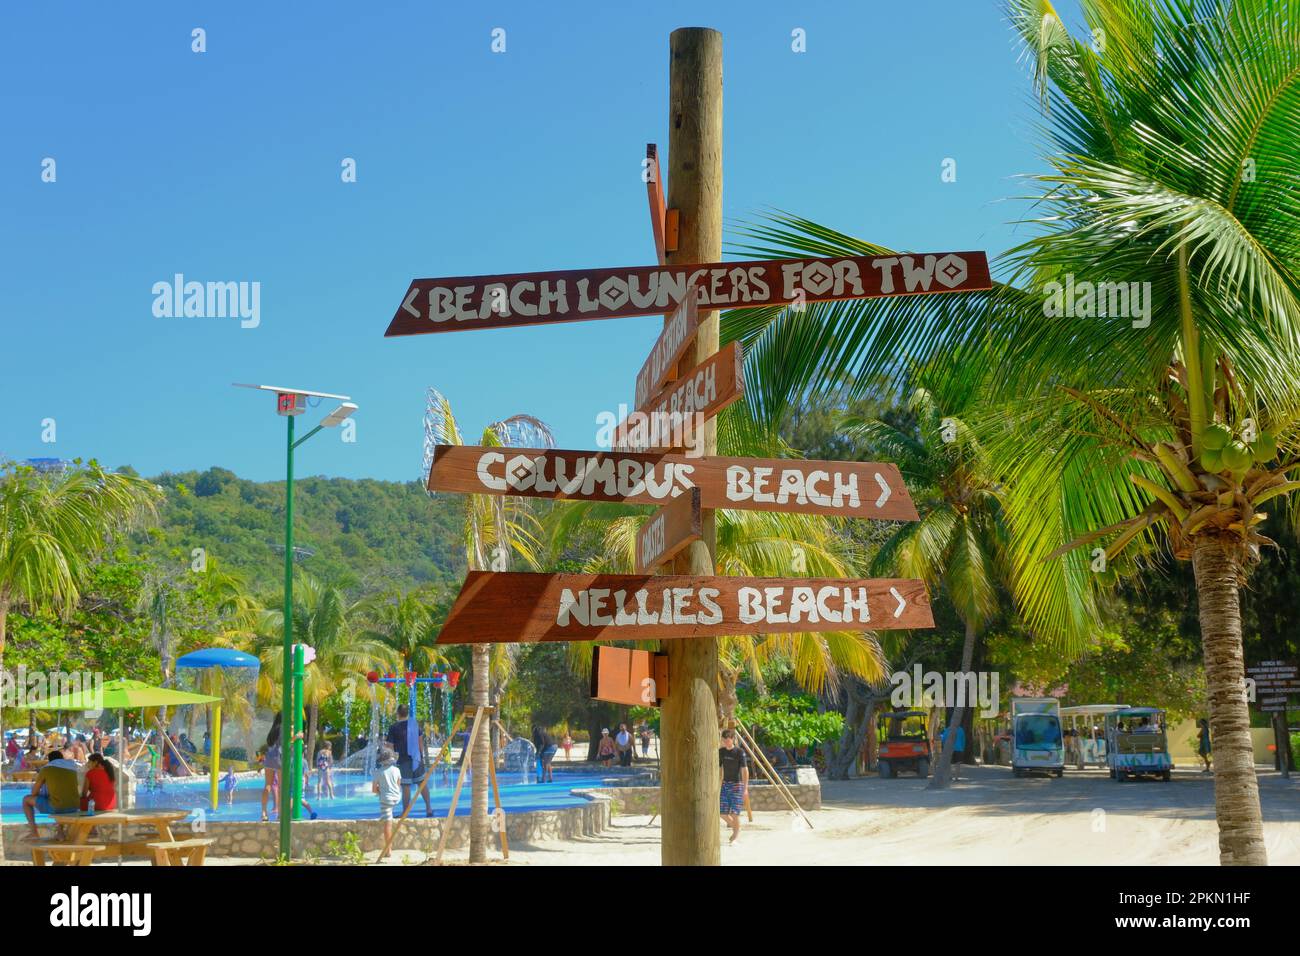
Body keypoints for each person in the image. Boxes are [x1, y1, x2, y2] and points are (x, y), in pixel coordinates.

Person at [385, 704, 433, 817]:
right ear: (408, 713)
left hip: (403, 760)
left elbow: (389, 746)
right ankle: (429, 809)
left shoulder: (393, 727)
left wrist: (392, 760)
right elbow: (420, 742)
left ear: (398, 713)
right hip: (416, 758)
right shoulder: (415, 725)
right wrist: (421, 758)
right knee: (422, 783)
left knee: (406, 786)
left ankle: (405, 812)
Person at [22, 750, 80, 840]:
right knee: (59, 798)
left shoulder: (46, 769)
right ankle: (60, 833)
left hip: (58, 807)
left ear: (50, 761)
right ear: (62, 758)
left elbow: (34, 793)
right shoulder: (72, 768)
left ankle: (34, 832)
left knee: (26, 800)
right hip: (75, 806)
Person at [718, 730, 749, 844]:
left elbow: (745, 770)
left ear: (732, 739)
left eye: (728, 740)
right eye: (724, 740)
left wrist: (745, 788)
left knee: (734, 813)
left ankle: (735, 836)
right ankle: (737, 828)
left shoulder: (739, 752)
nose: (726, 742)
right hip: (725, 784)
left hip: (737, 784)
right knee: (722, 813)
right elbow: (718, 767)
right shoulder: (721, 752)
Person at [372, 746, 402, 860]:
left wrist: (381, 790)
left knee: (387, 825)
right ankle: (388, 815)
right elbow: (398, 786)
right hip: (396, 797)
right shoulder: (397, 770)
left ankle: (388, 849)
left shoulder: (378, 772)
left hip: (386, 799)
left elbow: (374, 790)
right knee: (389, 814)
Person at [260, 716, 282, 822]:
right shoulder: (283, 728)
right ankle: (280, 814)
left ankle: (264, 812)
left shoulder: (272, 731)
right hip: (279, 758)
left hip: (269, 758)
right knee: (282, 787)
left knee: (268, 785)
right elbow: (286, 743)